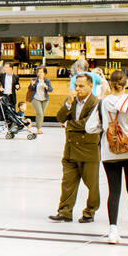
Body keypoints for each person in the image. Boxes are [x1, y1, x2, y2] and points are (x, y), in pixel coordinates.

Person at [99, 70, 128, 243]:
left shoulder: (103, 103)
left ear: (110, 84)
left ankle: (113, 230)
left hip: (108, 152)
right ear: (126, 84)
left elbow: (92, 127)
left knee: (114, 190)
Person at [49, 72, 102, 223]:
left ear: (90, 87)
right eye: (76, 86)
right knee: (68, 182)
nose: (77, 89)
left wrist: (68, 125)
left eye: (81, 86)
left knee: (92, 185)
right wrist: (67, 103)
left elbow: (87, 124)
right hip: (71, 149)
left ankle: (90, 212)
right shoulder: (72, 101)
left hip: (89, 149)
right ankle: (65, 211)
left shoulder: (95, 103)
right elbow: (59, 117)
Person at [27, 66, 52, 135]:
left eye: (41, 72)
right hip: (35, 98)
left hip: (44, 99)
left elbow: (51, 90)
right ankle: (38, 128)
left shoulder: (47, 81)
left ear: (44, 73)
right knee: (39, 113)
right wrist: (32, 85)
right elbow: (29, 89)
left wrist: (46, 87)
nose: (39, 73)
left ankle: (39, 127)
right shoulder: (34, 79)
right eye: (38, 72)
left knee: (41, 114)